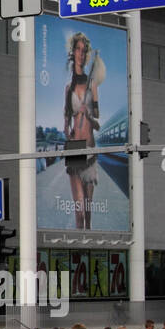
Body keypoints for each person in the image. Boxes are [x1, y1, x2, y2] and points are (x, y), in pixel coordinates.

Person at [63, 32, 102, 229]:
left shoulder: (92, 86)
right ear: (73, 53)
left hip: (90, 148)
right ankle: (78, 250)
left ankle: (87, 250)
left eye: (83, 50)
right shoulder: (68, 88)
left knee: (88, 211)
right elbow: (65, 123)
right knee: (78, 212)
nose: (80, 53)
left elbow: (98, 123)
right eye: (77, 49)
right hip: (74, 150)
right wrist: (67, 133)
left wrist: (89, 116)